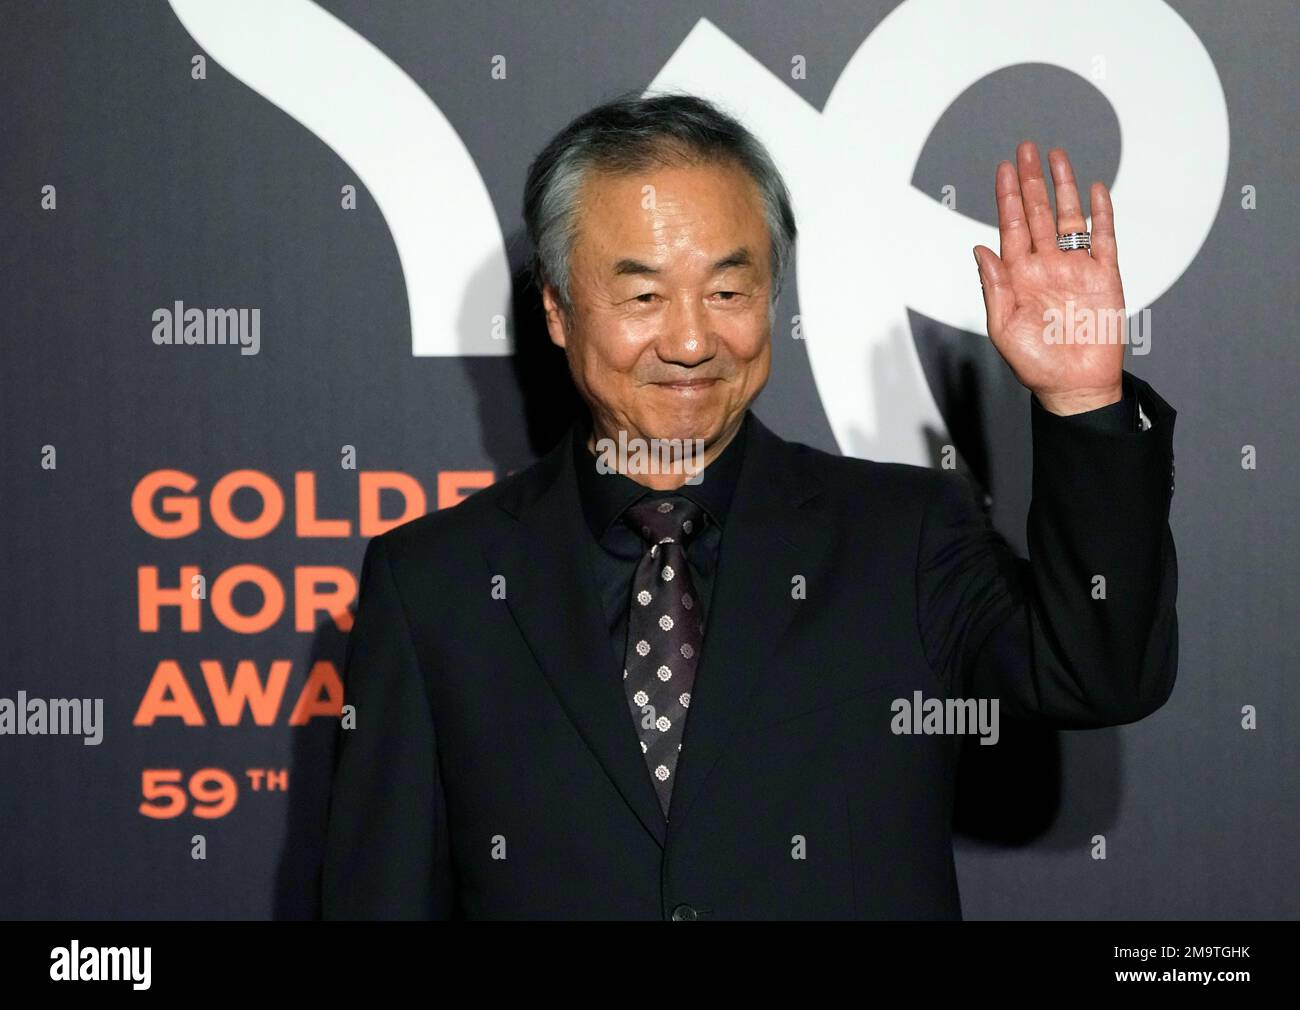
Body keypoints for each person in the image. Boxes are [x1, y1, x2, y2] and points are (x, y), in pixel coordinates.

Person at [320, 92, 1177, 920]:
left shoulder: (904, 536)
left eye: (728, 292)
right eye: (643, 296)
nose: (691, 342)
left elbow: (1096, 673)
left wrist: (1084, 403)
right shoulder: (433, 584)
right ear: (556, 306)